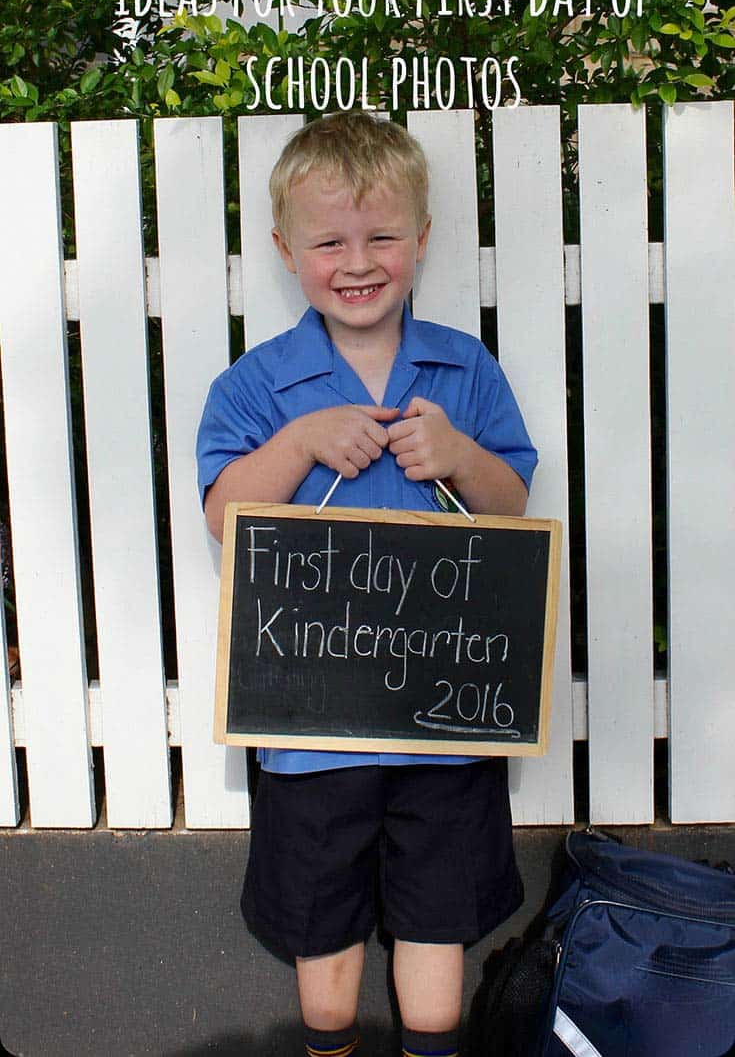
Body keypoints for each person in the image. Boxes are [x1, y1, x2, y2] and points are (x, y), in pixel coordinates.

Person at [196, 111, 537, 1057]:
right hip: (310, 733)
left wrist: (460, 454)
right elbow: (227, 515)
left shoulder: (464, 369)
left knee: (437, 918)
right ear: (283, 249)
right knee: (324, 920)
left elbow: (510, 511)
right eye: (329, 240)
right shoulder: (257, 385)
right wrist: (299, 442)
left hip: (448, 723)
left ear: (420, 241)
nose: (358, 260)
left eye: (382, 236)